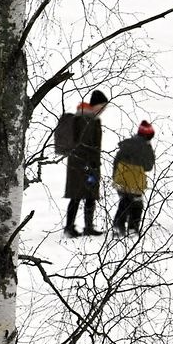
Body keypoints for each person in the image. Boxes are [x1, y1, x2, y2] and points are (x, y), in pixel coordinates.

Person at [64, 89, 109, 237]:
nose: (103, 110)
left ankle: (83, 226)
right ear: (96, 105)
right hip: (83, 165)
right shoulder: (86, 119)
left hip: (83, 164)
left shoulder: (88, 118)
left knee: (87, 196)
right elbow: (86, 145)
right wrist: (90, 165)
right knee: (79, 196)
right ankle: (71, 228)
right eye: (103, 106)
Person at [112, 120, 157, 237]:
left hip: (120, 177)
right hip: (135, 180)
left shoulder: (127, 144)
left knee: (124, 201)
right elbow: (148, 166)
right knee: (137, 203)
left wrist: (115, 177)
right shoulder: (146, 147)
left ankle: (118, 225)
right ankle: (133, 227)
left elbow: (116, 161)